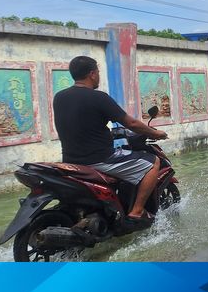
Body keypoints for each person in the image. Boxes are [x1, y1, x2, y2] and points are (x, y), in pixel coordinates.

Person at [53, 56, 168, 229]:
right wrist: (155, 133)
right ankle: (136, 212)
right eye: (98, 72)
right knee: (153, 163)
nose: (98, 75)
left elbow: (81, 123)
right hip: (100, 159)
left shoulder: (59, 97)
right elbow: (131, 123)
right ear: (92, 74)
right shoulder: (99, 98)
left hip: (71, 161)